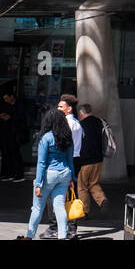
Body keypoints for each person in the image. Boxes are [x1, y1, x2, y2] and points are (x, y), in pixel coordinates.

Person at [20, 109, 75, 240]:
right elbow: (70, 160)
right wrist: (72, 178)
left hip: (48, 176)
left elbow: (41, 163)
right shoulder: (68, 138)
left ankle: (29, 236)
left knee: (37, 208)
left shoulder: (46, 138)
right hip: (65, 174)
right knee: (60, 207)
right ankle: (62, 236)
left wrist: (38, 183)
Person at [45, 94, 84, 237]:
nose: (58, 109)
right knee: (71, 192)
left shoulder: (67, 124)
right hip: (75, 158)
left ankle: (56, 227)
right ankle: (70, 227)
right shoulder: (77, 124)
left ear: (69, 109)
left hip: (67, 159)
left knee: (58, 192)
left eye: (61, 107)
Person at [76, 103, 109, 216]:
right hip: (98, 159)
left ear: (81, 113)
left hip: (86, 160)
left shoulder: (81, 125)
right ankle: (102, 200)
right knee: (93, 183)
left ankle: (84, 211)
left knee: (82, 186)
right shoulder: (99, 122)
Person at [0, 89, 27, 182]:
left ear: (12, 97)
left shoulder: (19, 107)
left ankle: (19, 174)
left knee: (15, 153)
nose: (6, 100)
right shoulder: (8, 106)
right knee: (7, 153)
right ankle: (10, 173)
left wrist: (10, 118)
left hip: (16, 133)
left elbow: (21, 119)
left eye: (7, 98)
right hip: (7, 133)